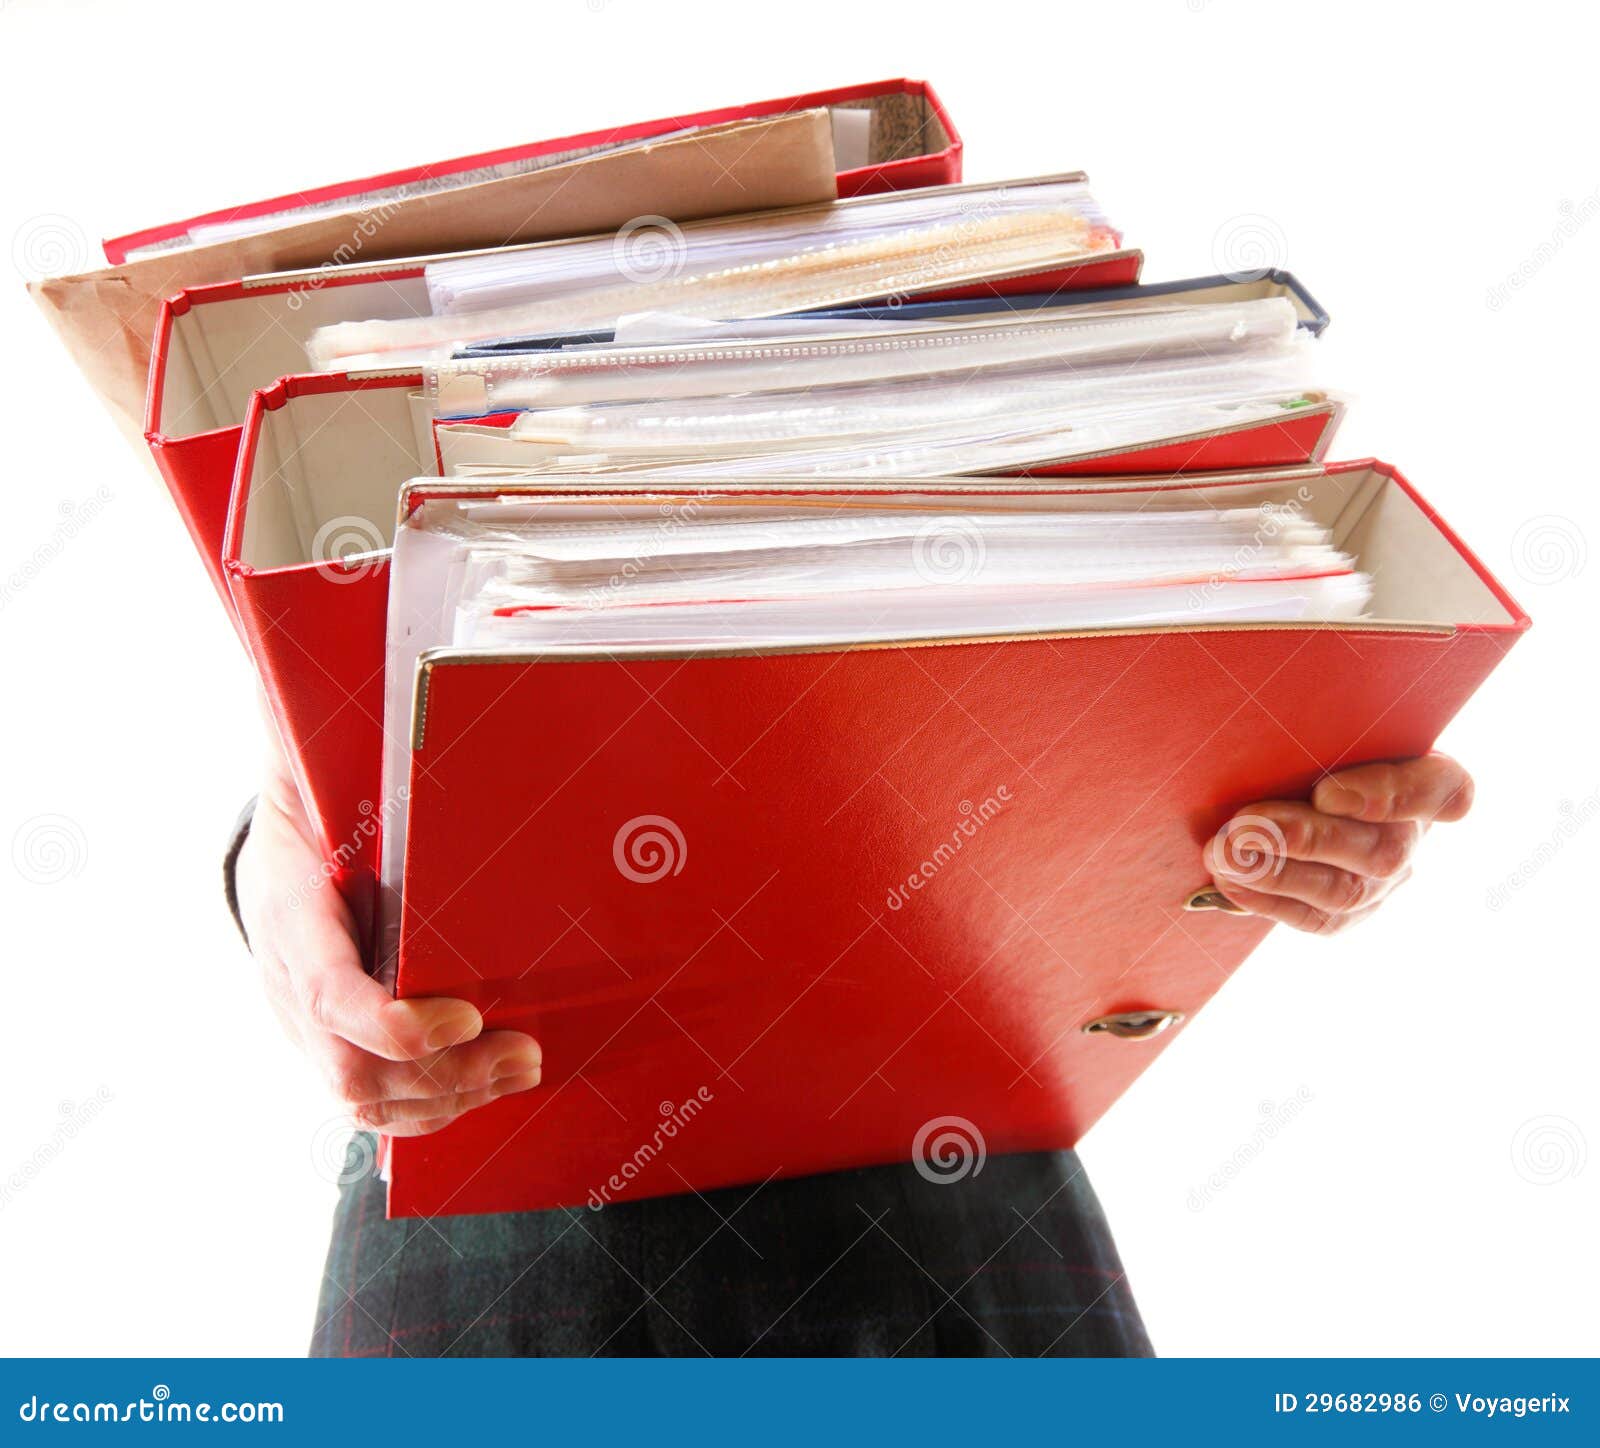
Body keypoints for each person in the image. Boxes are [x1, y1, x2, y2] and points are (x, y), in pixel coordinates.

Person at [230, 718, 1472, 1357]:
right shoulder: (370, 317)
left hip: (949, 1201)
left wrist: (1290, 782)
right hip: (505, 1215)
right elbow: (312, 726)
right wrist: (275, 865)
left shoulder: (974, 300)